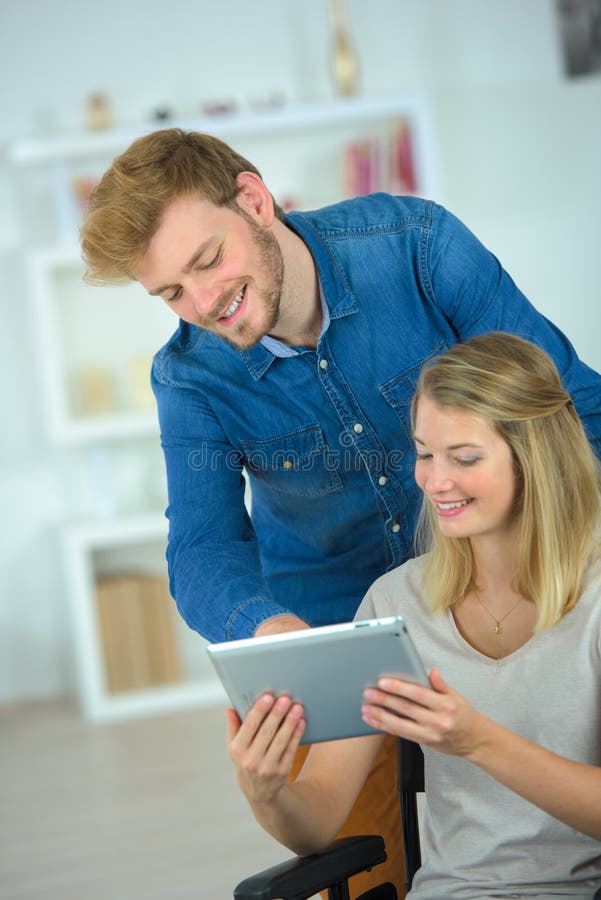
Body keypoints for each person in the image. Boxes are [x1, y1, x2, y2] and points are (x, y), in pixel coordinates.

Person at [79, 129, 601, 897]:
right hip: (341, 642)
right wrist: (276, 634)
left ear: (254, 201)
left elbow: (568, 407)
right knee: (374, 864)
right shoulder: (189, 378)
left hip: (520, 591)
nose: (202, 306)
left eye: (205, 262)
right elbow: (201, 549)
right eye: (169, 294)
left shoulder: (415, 247)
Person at [227, 332, 601, 899]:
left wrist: (478, 741)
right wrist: (268, 792)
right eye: (425, 453)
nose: (435, 480)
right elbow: (319, 818)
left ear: (535, 456)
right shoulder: (395, 603)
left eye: (465, 457)